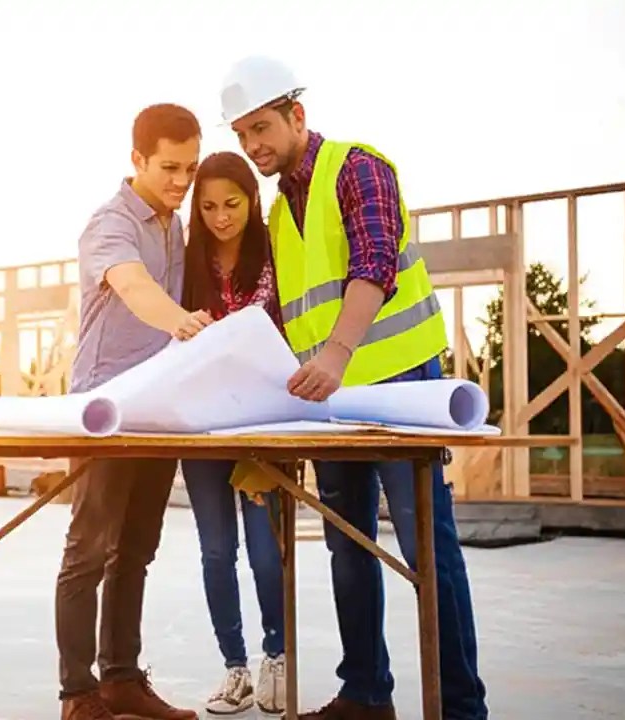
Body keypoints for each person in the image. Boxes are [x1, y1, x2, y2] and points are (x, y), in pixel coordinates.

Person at [217, 55, 490, 720]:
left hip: (402, 387)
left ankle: (460, 707)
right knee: (347, 542)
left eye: (262, 128)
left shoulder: (358, 167)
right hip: (333, 401)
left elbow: (374, 263)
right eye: (242, 134)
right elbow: (276, 313)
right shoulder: (280, 214)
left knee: (428, 546)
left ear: (295, 115)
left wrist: (338, 352)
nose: (254, 146)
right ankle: (366, 693)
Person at [57, 102, 209, 720]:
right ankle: (77, 692)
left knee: (138, 548)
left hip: (157, 404)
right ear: (137, 159)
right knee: (89, 548)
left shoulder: (175, 224)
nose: (181, 181)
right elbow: (133, 285)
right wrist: (182, 323)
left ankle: (121, 679)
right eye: (169, 167)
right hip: (105, 405)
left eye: (191, 168)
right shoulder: (109, 223)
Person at [179, 151, 287, 716]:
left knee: (265, 550)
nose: (221, 217)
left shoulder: (275, 251)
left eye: (233, 204)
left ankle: (278, 659)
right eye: (209, 207)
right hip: (201, 425)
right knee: (216, 550)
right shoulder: (186, 261)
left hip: (263, 423)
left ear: (252, 200)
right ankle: (235, 669)